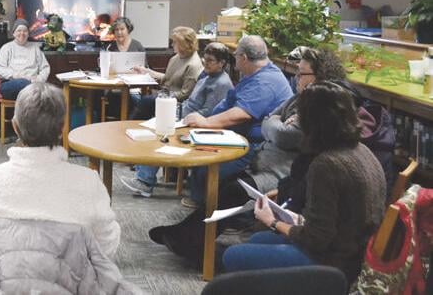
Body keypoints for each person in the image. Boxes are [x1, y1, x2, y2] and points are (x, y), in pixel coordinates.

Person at [147, 48, 348, 264]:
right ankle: (190, 238)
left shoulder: (319, 106)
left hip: (282, 171)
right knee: (227, 186)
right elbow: (270, 121)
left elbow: (283, 136)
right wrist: (276, 122)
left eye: (301, 74)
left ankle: (189, 241)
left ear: (318, 77)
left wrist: (276, 124)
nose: (296, 79)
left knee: (233, 189)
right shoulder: (298, 99)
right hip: (266, 162)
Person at [222, 82, 386, 283]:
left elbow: (316, 240)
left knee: (232, 255)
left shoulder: (326, 164)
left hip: (333, 261)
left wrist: (272, 221)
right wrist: (291, 219)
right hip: (353, 252)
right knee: (257, 240)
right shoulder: (362, 150)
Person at [0, 82, 120, 257]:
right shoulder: (89, 182)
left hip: (5, 280)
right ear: (62, 129)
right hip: (69, 281)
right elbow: (108, 242)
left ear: (15, 127)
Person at [181, 35, 293, 207]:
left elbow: (240, 114)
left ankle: (210, 209)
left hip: (255, 145)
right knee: (198, 154)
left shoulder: (266, 81)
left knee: (206, 165)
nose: (235, 59)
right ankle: (202, 202)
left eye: (236, 55)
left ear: (244, 58)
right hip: (236, 134)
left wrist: (206, 122)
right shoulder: (256, 74)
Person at [121, 42, 234, 198]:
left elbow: (209, 112)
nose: (205, 63)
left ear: (222, 63)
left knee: (159, 135)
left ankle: (145, 182)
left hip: (194, 123)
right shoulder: (207, 75)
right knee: (151, 127)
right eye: (204, 59)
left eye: (210, 61)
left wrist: (183, 116)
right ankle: (142, 176)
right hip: (183, 114)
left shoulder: (222, 83)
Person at [130, 26, 203, 119]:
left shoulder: (193, 65)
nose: (172, 45)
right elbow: (167, 78)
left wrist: (163, 96)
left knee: (145, 102)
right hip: (165, 93)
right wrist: (146, 71)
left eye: (175, 42)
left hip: (175, 102)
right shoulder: (176, 57)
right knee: (139, 100)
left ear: (184, 44)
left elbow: (185, 94)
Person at [0, 19, 49, 100]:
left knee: (37, 91)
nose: (22, 33)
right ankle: (33, 91)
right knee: (24, 84)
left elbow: (45, 67)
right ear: (13, 33)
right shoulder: (7, 48)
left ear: (28, 34)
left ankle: (27, 108)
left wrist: (39, 80)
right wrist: (15, 75)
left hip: (33, 84)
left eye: (25, 31)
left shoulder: (35, 49)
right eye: (19, 31)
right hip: (11, 84)